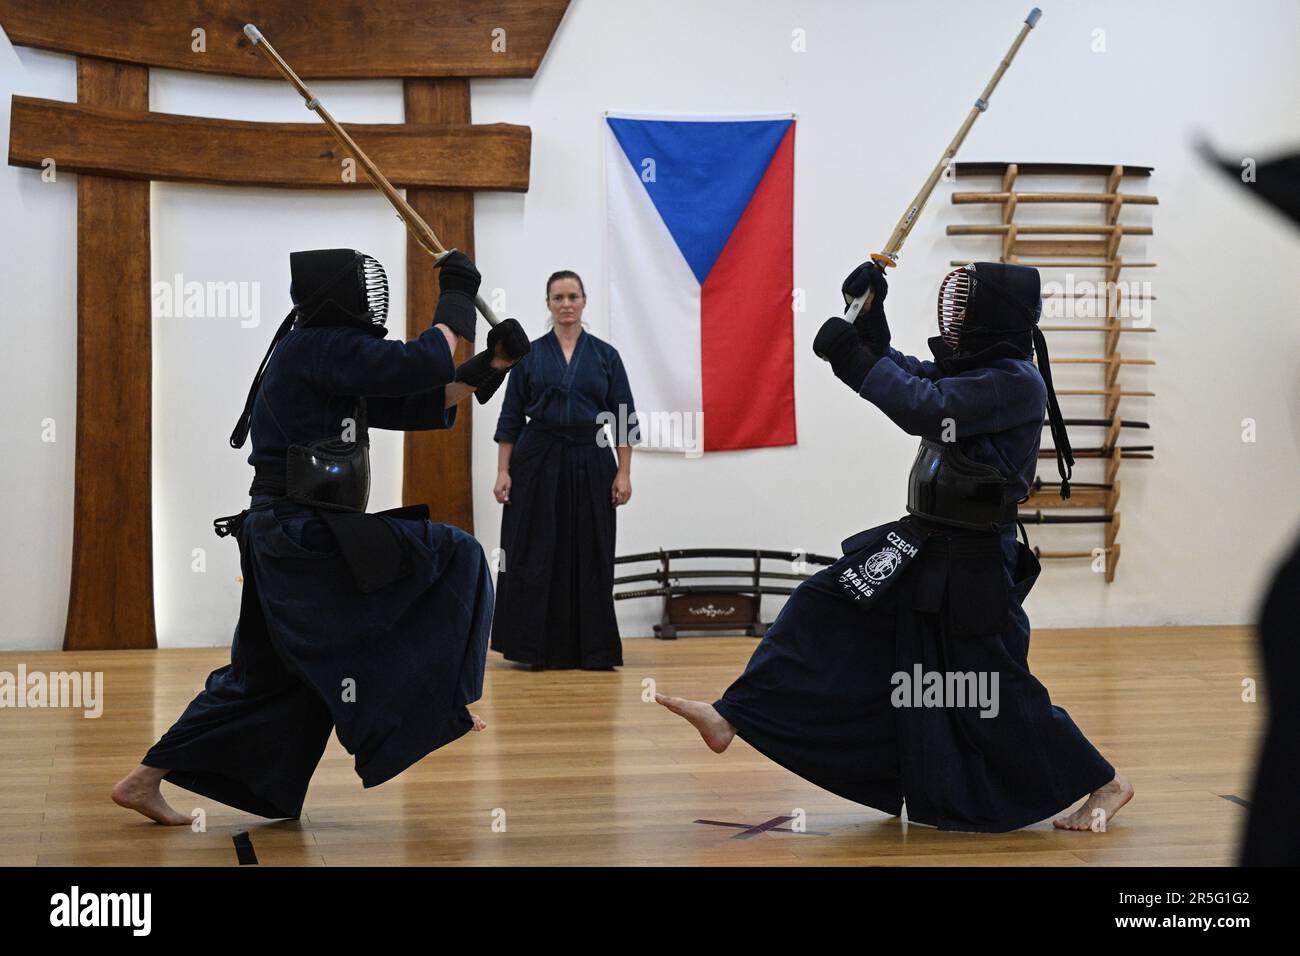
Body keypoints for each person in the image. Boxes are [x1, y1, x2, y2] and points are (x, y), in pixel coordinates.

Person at [658, 261, 1133, 832]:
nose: (956, 320)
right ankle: (732, 716)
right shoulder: (979, 372)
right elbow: (910, 373)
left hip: (975, 557)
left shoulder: (1015, 382)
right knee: (824, 599)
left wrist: (850, 357)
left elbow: (924, 407)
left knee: (993, 688)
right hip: (923, 537)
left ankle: (1106, 782)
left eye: (966, 309)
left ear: (993, 318)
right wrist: (870, 322)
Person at [112, 249, 529, 824]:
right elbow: (422, 361)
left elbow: (423, 399)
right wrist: (457, 295)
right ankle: (439, 701)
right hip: (299, 537)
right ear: (341, 295)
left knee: (261, 678)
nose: (373, 297)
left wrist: (494, 363)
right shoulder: (320, 346)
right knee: (454, 554)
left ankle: (142, 780)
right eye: (366, 287)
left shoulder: (323, 353)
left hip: (285, 537)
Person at [489, 270, 637, 670]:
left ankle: (592, 649)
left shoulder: (605, 356)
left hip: (591, 456)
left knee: (591, 548)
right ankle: (533, 647)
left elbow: (624, 417)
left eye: (573, 296)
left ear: (584, 301)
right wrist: (503, 471)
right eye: (558, 297)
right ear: (548, 303)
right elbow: (510, 418)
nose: (566, 304)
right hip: (537, 457)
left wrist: (623, 473)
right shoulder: (530, 356)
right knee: (534, 549)